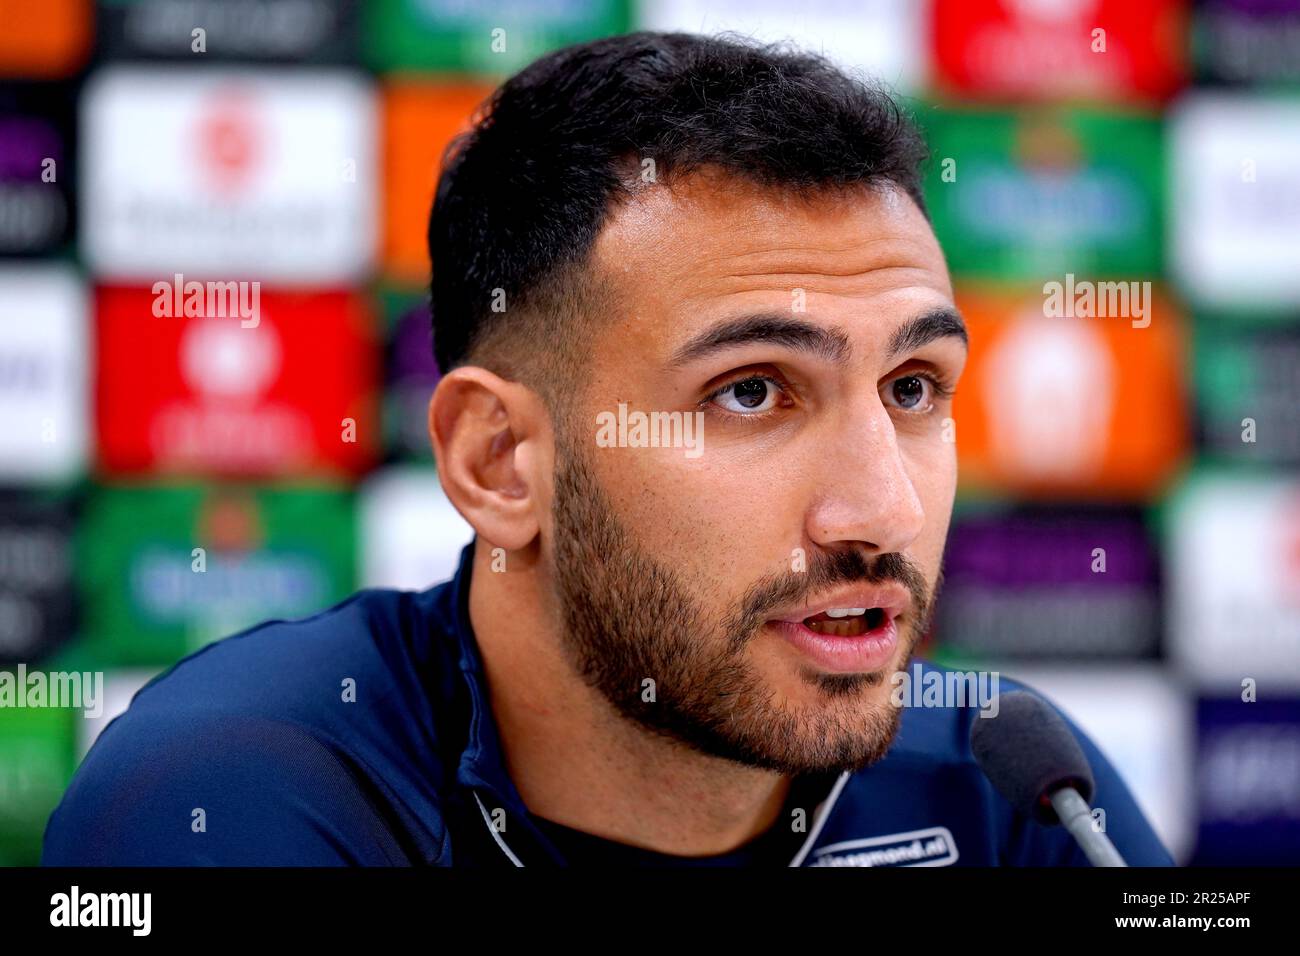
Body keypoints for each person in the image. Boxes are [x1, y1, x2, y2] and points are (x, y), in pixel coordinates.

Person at [44, 31, 1173, 867]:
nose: (877, 510)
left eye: (912, 387)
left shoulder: (1012, 789)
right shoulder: (236, 794)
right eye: (750, 392)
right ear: (499, 463)